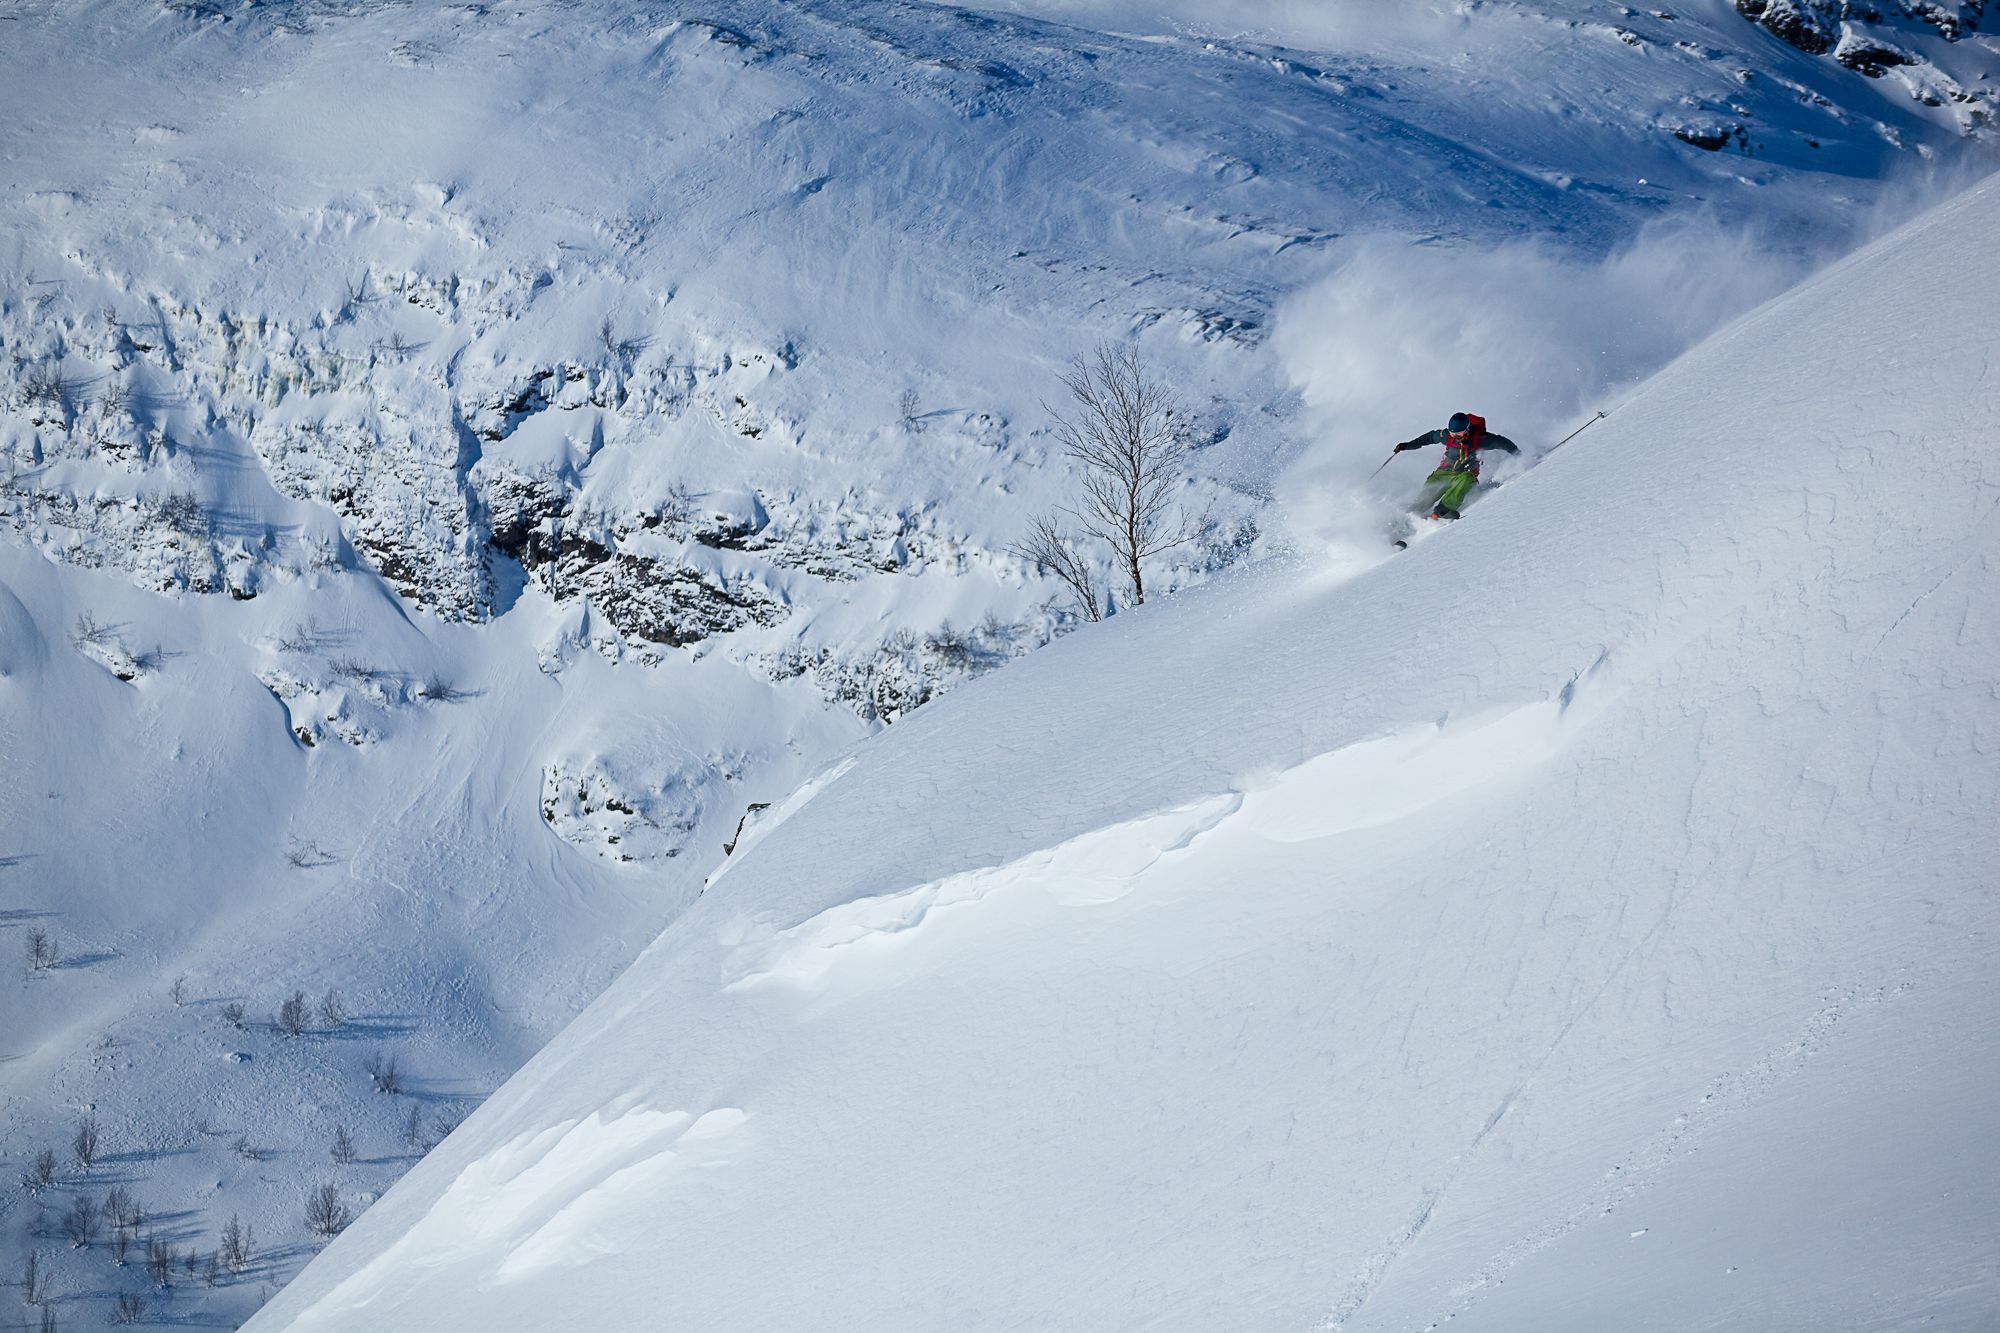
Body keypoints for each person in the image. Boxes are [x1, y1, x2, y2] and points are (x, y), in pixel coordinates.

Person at [1391, 412, 1520, 520]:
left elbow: (1502, 442)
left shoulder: (1480, 439)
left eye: (1459, 435)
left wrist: (1519, 456)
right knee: (1427, 494)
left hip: (1464, 475)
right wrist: (1407, 445)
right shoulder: (1446, 436)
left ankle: (1443, 510)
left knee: (1466, 478)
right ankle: (1407, 519)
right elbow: (1429, 437)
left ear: (1467, 430)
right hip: (1443, 473)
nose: (1456, 438)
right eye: (1453, 434)